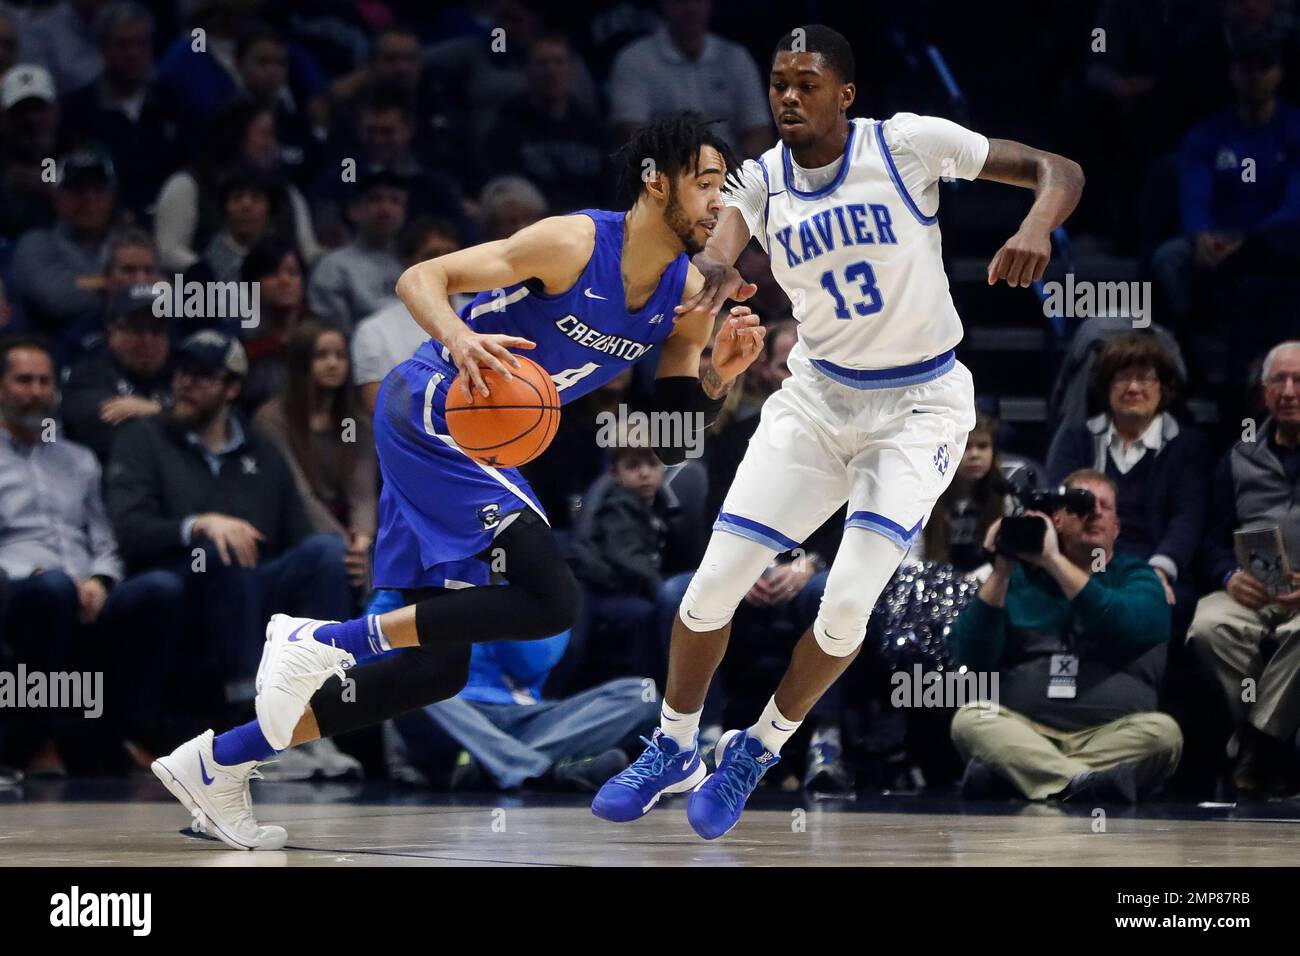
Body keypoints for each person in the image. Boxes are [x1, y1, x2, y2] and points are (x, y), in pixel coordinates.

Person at [149, 113, 767, 850]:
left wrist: (718, 379)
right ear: (654, 182)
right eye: (704, 186)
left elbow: (672, 440)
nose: (717, 208)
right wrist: (459, 335)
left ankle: (218, 762)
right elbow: (422, 277)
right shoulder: (573, 242)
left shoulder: (688, 294)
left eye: (722, 192)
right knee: (550, 598)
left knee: (432, 673)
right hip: (433, 407)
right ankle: (324, 638)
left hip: (482, 445)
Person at [593, 24, 1085, 840]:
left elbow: (1056, 169)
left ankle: (759, 746)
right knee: (711, 585)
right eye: (779, 81)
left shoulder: (905, 144)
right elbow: (721, 252)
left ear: (844, 94)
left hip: (921, 406)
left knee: (849, 600)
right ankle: (675, 745)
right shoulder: (759, 180)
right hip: (818, 398)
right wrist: (704, 284)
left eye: (807, 82)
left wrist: (1036, 225)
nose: (788, 94)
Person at [105, 330, 353, 717]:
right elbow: (130, 530)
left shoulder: (263, 452)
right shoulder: (143, 438)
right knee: (223, 547)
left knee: (326, 553)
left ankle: (320, 708)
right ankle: (252, 715)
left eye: (203, 374)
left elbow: (299, 535)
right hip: (179, 578)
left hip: (254, 585)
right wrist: (198, 524)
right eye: (182, 371)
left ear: (232, 387)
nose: (186, 383)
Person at [0, 335, 180, 771]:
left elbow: (104, 540)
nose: (37, 391)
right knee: (52, 588)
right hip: (17, 587)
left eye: (44, 381)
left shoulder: (79, 460)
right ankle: (43, 744)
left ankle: (135, 739)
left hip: (85, 587)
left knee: (160, 588)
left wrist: (101, 580)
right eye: (24, 380)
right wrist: (34, 571)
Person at [948, 471, 1182, 803]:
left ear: (1117, 528)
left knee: (1164, 735)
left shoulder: (1138, 578)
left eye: (1105, 506)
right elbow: (971, 658)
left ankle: (1023, 776)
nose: (1095, 512)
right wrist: (1000, 570)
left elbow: (1119, 623)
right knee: (969, 719)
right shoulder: (1019, 580)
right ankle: (1081, 783)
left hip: (1109, 737)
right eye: (1081, 505)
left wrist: (1054, 561)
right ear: (1056, 520)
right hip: (1027, 731)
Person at [1186, 340, 1300, 794]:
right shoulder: (1240, 455)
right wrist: (1229, 577)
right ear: (1263, 392)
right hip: (1253, 589)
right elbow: (1211, 539)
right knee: (1208, 627)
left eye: (1299, 381)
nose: (1289, 391)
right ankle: (1275, 734)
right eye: (1279, 381)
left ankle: (1258, 745)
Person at [1046, 334, 1210, 620]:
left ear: (1163, 388)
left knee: (1150, 607)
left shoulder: (1188, 446)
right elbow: (1060, 508)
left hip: (1157, 567)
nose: (1133, 387)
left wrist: (1156, 573)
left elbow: (1188, 518)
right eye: (1122, 378)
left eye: (1145, 378)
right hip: (1085, 564)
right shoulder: (1076, 441)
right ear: (1107, 387)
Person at [390, 630, 658, 792]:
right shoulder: (416, 571)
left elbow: (533, 662)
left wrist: (489, 600)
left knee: (639, 692)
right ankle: (543, 771)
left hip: (526, 716)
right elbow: (373, 651)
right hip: (452, 714)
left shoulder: (539, 579)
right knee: (410, 685)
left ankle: (495, 765)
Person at [252, 321, 376, 590]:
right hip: (293, 534)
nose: (333, 364)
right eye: (321, 355)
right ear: (301, 362)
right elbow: (299, 492)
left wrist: (362, 543)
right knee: (332, 556)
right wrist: (344, 545)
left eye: (340, 356)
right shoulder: (273, 420)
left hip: (348, 534)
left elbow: (362, 493)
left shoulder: (355, 423)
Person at [607, 0, 771, 157]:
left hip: (729, 171)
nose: (691, 9)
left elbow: (758, 128)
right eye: (682, 1)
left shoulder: (736, 58)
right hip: (661, 171)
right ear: (664, 4)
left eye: (699, 1)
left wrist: (739, 166)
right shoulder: (634, 59)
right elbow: (631, 130)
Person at [9, 148, 119, 356]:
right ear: (57, 196)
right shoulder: (36, 243)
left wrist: (98, 285)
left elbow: (161, 294)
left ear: (111, 196)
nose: (89, 199)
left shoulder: (127, 240)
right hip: (58, 355)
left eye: (98, 189)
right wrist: (114, 285)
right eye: (77, 190)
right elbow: (56, 296)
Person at [351, 218, 460, 414]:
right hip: (413, 440)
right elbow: (382, 411)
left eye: (451, 253)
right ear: (408, 264)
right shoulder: (374, 331)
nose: (445, 264)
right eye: (432, 255)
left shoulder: (484, 310)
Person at [62, 283, 171, 462]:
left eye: (157, 331)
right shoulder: (88, 376)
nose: (148, 340)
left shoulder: (179, 372)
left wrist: (155, 410)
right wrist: (179, 418)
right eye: (137, 329)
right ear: (111, 332)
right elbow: (117, 434)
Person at [905, 410, 1010, 578]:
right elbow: (911, 558)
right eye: (966, 446)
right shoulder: (926, 496)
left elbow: (1007, 557)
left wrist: (974, 579)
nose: (974, 454)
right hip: (934, 586)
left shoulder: (1005, 498)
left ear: (994, 452)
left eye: (982, 446)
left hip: (986, 585)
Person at [306, 167, 407, 331]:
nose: (386, 209)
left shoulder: (414, 262)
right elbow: (336, 334)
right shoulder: (333, 267)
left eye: (395, 201)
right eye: (375, 199)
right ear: (354, 210)